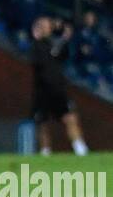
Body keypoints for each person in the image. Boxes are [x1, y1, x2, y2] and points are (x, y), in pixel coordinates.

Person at [30, 16, 89, 155]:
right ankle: (45, 151)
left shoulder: (55, 44)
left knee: (70, 118)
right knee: (42, 123)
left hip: (58, 89)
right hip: (42, 90)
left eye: (47, 26)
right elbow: (41, 61)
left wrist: (65, 37)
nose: (46, 28)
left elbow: (64, 53)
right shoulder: (37, 46)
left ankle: (80, 148)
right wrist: (63, 38)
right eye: (42, 25)